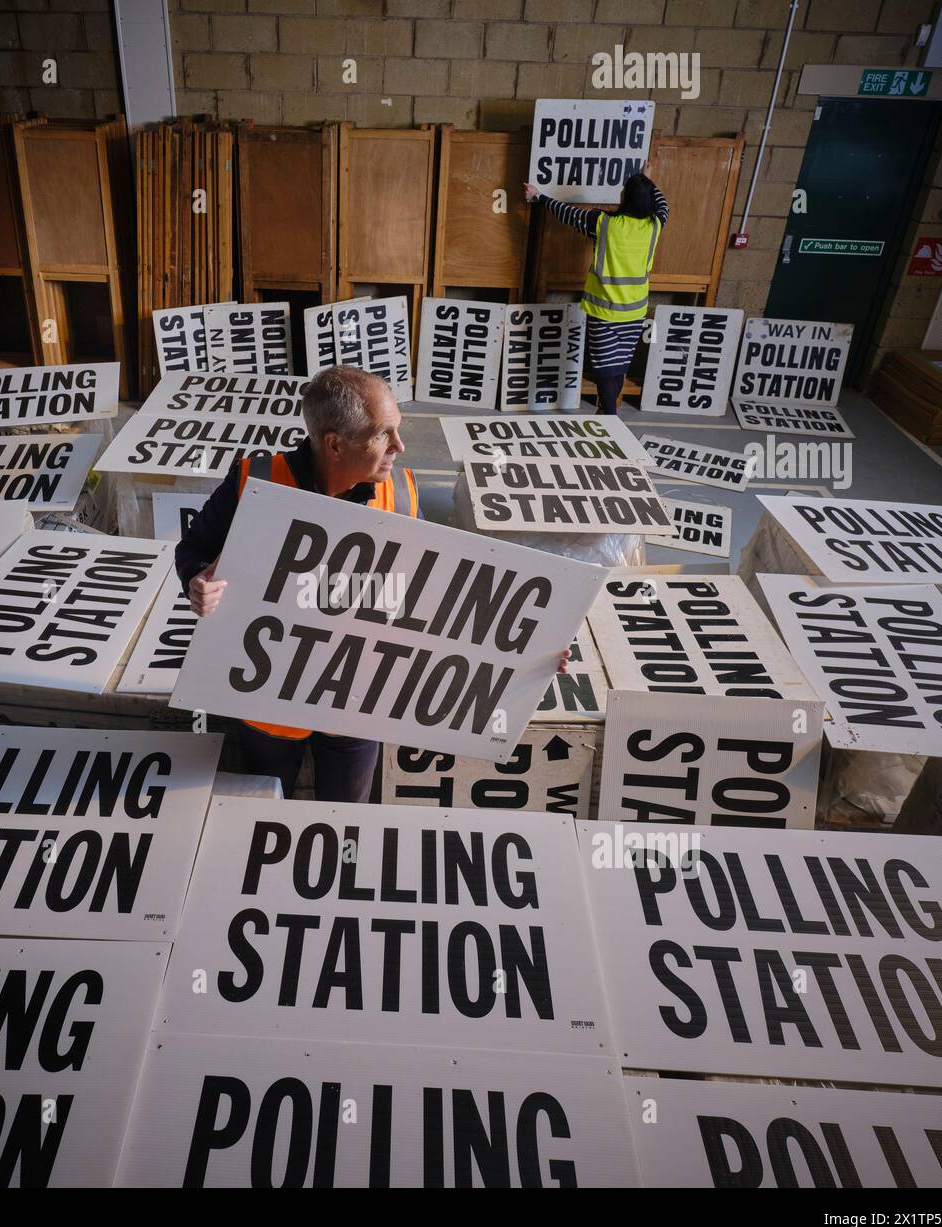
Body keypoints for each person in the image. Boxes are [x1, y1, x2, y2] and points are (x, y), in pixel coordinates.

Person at [176, 364, 576, 802]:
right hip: (266, 707)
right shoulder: (256, 479)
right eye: (384, 434)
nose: (400, 447)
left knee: (346, 820)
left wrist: (528, 647)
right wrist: (197, 581)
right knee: (262, 813)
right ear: (334, 444)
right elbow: (193, 549)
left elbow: (441, 587)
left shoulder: (401, 493)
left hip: (357, 704)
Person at [524, 161, 669, 416]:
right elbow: (663, 205)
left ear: (627, 197)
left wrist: (539, 197)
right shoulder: (654, 226)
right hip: (635, 313)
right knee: (618, 367)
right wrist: (648, 181)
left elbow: (567, 213)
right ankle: (607, 412)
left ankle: (609, 415)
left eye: (625, 189)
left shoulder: (603, 224)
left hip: (603, 312)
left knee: (604, 368)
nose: (621, 192)